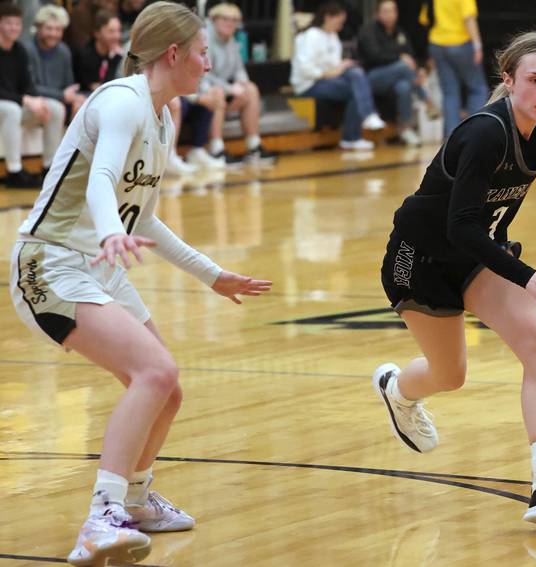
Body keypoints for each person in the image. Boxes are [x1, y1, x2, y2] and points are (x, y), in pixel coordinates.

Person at [9, 3, 272, 565]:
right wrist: (108, 234)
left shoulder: (163, 116)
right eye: (203, 52)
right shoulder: (123, 101)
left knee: (167, 391)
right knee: (155, 372)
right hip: (50, 262)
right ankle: (100, 519)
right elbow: (102, 178)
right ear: (173, 54)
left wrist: (211, 274)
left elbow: (143, 217)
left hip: (99, 260)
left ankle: (134, 499)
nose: (208, 63)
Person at [373, 29, 536, 526]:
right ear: (509, 79)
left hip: (478, 255)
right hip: (419, 259)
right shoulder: (485, 132)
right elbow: (460, 225)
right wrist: (527, 276)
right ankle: (398, 389)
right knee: (450, 376)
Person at [290, 1, 386, 151]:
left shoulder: (333, 36)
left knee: (356, 73)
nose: (341, 26)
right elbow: (305, 70)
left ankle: (362, 124)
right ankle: (358, 128)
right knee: (356, 88)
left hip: (328, 80)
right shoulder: (311, 36)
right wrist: (334, 72)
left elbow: (335, 65)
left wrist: (342, 66)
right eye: (339, 22)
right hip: (308, 84)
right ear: (328, 17)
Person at [0, 2, 65, 189]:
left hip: (13, 106)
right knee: (12, 110)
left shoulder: (19, 50)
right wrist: (25, 100)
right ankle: (14, 171)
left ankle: (49, 168)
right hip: (7, 107)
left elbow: (26, 84)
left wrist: (37, 100)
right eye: (8, 23)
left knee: (54, 107)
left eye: (17, 24)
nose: (14, 28)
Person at [204, 2, 276, 165]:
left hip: (222, 90)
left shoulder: (231, 40)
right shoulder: (204, 38)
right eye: (225, 19)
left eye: (234, 20)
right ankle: (216, 149)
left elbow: (239, 69)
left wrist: (242, 83)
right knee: (218, 92)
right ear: (213, 19)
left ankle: (253, 146)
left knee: (251, 88)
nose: (230, 23)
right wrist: (230, 88)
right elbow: (204, 75)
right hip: (202, 92)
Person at [358, 0, 436, 146]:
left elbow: (410, 56)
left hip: (397, 79)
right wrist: (399, 58)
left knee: (405, 86)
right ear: (377, 14)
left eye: (392, 11)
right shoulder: (368, 30)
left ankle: (405, 128)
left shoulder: (400, 32)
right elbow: (374, 56)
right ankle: (427, 101)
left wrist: (418, 69)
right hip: (370, 79)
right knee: (402, 66)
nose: (390, 15)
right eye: (385, 11)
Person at [420, 0, 488, 137]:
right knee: (478, 89)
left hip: (437, 45)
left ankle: (451, 138)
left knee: (449, 93)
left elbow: (424, 19)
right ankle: (474, 134)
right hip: (460, 43)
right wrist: (477, 46)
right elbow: (469, 18)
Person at [24, 4, 87, 122]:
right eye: (49, 28)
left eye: (58, 29)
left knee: (83, 105)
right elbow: (30, 87)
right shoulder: (27, 50)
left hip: (58, 101)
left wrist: (75, 99)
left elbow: (69, 85)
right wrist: (62, 95)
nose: (53, 34)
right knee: (56, 108)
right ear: (38, 28)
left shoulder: (64, 51)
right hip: (32, 101)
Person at [72, 10, 125, 94]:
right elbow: (99, 87)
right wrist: (115, 59)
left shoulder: (117, 54)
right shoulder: (84, 55)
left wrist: (116, 58)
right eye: (111, 31)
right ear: (97, 33)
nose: (117, 36)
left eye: (119, 30)